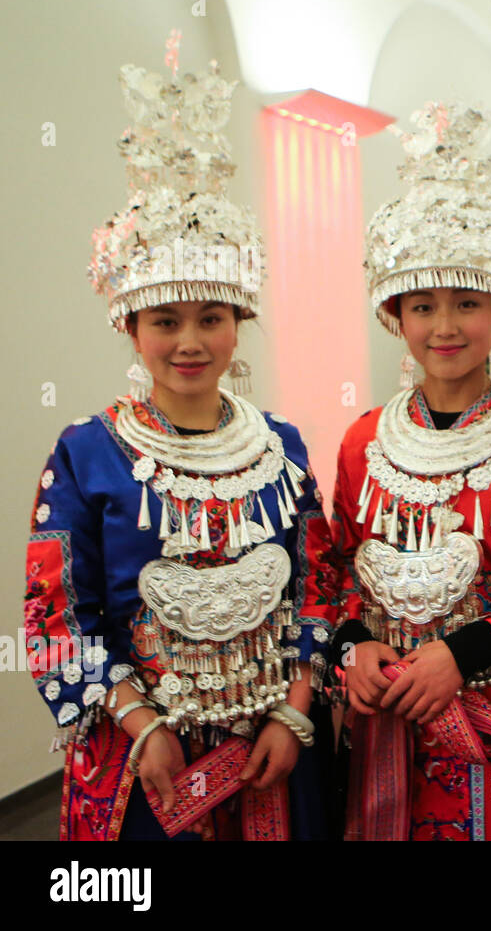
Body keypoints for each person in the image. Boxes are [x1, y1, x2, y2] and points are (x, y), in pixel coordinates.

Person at [24, 44, 335, 840]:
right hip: (145, 754)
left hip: (272, 744)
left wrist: (296, 713)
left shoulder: (283, 445)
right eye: (166, 320)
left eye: (212, 317)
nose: (190, 341)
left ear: (240, 323)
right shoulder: (87, 452)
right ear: (131, 325)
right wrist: (139, 722)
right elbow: (56, 619)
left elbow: (319, 591)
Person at [329, 103, 491, 840]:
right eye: (423, 305)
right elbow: (330, 566)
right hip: (381, 714)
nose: (445, 326)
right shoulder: (361, 442)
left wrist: (464, 652)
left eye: (467, 303)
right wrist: (356, 643)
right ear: (395, 316)